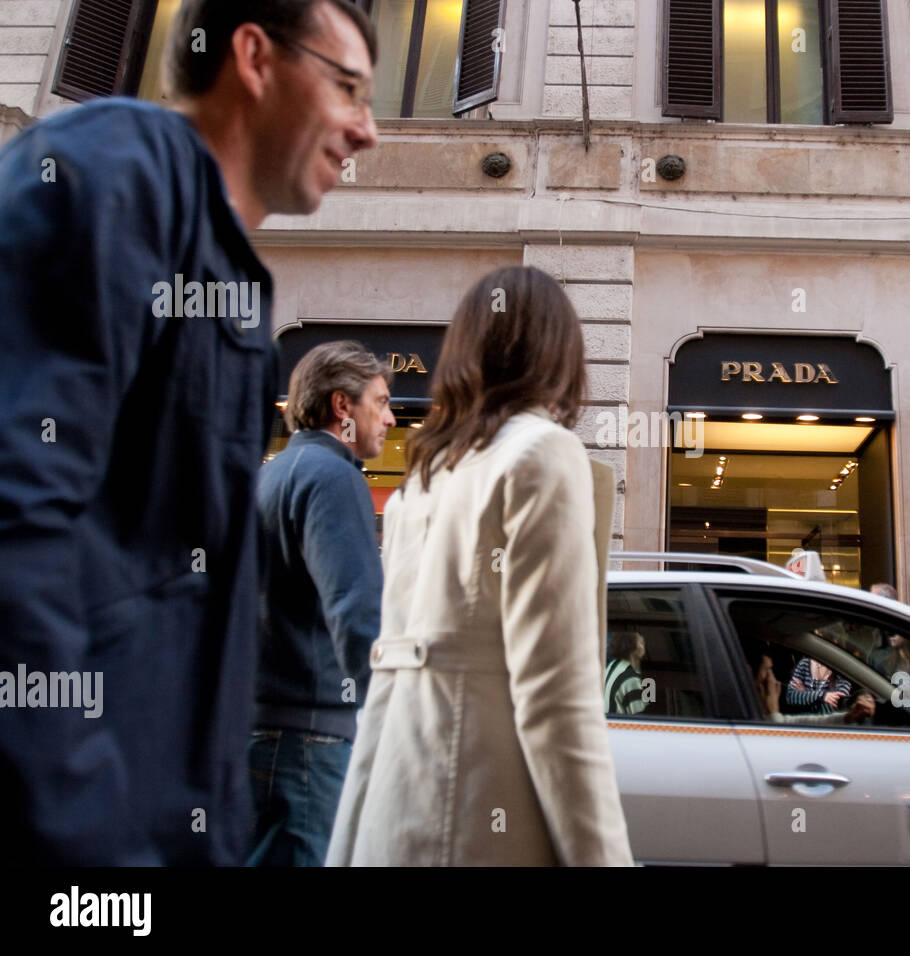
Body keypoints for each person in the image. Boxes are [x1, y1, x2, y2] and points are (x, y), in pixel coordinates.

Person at [0, 0, 378, 864]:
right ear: (252, 56)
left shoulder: (230, 276)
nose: (367, 130)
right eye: (348, 87)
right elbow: (18, 519)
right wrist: (88, 830)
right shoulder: (115, 175)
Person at [327, 266, 634, 866]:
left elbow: (387, 668)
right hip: (481, 811)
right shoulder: (542, 453)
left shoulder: (427, 474)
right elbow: (556, 692)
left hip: (396, 808)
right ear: (559, 354)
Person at [247, 342, 394, 866]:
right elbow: (358, 617)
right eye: (379, 401)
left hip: (260, 727)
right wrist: (393, 720)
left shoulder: (271, 475)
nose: (390, 417)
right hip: (312, 737)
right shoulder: (333, 477)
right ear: (342, 407)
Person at [752, 651, 875, 726]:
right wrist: (821, 695)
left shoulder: (839, 673)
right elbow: (792, 696)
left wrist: (848, 717)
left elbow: (800, 723)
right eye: (767, 671)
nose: (775, 681)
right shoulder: (804, 665)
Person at [786, 657, 852, 714]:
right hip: (802, 724)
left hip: (825, 726)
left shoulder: (842, 671)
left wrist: (805, 693)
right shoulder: (804, 664)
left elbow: (835, 709)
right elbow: (790, 698)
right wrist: (822, 696)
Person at [605, 631, 649, 715]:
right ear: (632, 647)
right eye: (641, 643)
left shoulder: (611, 667)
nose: (644, 647)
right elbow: (639, 719)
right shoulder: (630, 678)